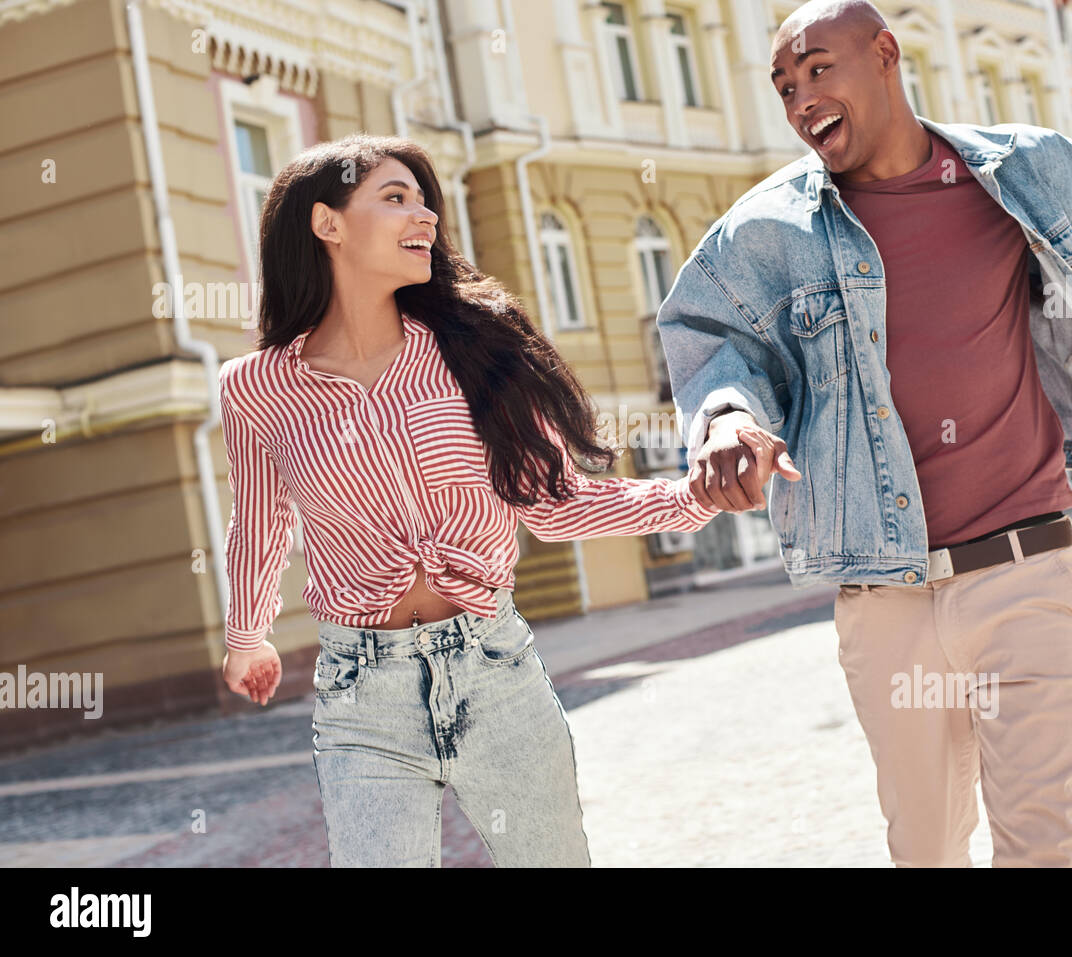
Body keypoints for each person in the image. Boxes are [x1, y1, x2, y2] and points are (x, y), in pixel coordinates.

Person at [655, 0, 1072, 867]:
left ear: (884, 54)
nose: (801, 98)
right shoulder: (767, 232)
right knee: (925, 850)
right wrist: (729, 416)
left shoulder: (1024, 171)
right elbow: (713, 341)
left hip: (1026, 571)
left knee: (1045, 845)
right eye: (783, 85)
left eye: (817, 70)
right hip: (887, 603)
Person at [217, 133, 721, 866]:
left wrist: (690, 497)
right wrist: (247, 635)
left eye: (426, 202)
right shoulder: (256, 387)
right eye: (395, 198)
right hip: (363, 693)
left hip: (495, 671)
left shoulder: (474, 350)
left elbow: (554, 503)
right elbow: (260, 521)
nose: (423, 216)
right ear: (326, 223)